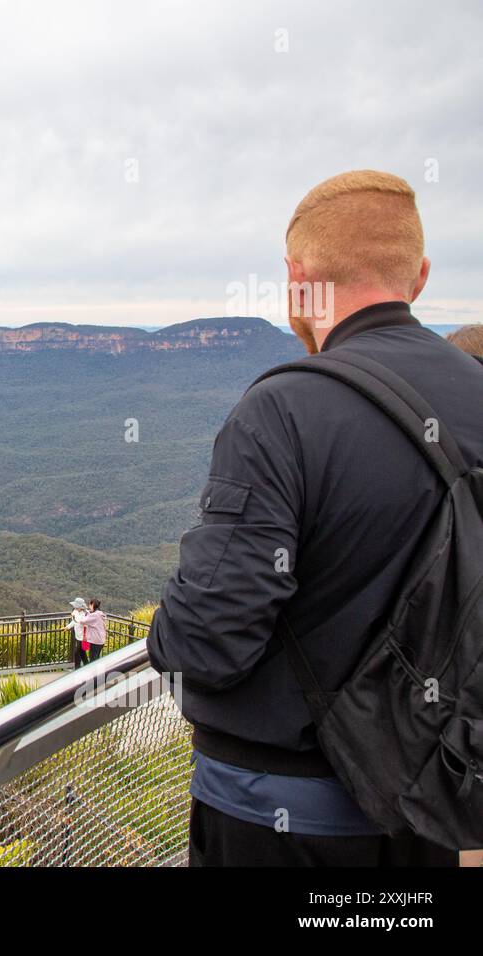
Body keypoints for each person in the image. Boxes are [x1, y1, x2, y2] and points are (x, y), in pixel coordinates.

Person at [148, 169, 483, 867]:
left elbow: (206, 643)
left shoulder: (282, 411)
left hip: (283, 815)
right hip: (434, 802)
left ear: (297, 281)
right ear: (418, 276)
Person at [81, 599, 107, 664]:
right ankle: (97, 672)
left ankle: (93, 673)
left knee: (92, 659)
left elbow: (83, 621)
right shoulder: (101, 614)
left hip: (95, 640)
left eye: (90, 605)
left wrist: (75, 616)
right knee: (96, 658)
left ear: (93, 605)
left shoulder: (94, 615)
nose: (89, 606)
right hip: (101, 640)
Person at [67, 597, 89, 668]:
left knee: (76, 652)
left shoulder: (86, 614)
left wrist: (74, 618)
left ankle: (77, 668)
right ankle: (87, 666)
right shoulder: (75, 611)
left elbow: (83, 623)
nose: (75, 607)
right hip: (77, 635)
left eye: (76, 606)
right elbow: (74, 622)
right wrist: (68, 627)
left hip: (83, 636)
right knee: (82, 653)